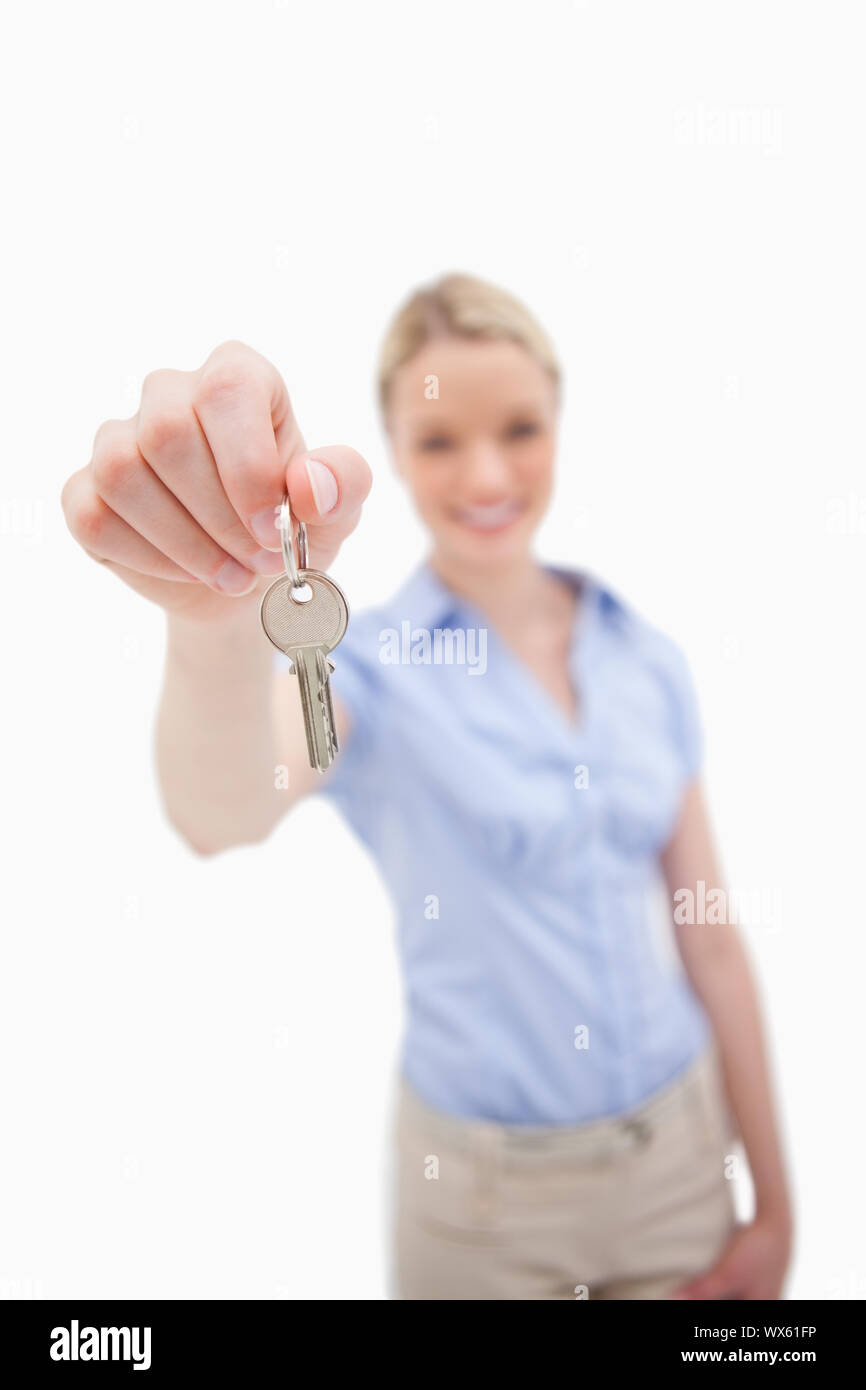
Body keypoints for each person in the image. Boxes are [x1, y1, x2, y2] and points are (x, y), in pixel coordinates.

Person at [61, 272, 793, 1300]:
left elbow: (707, 936)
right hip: (480, 1209)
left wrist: (773, 1205)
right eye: (441, 439)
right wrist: (215, 618)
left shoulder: (646, 658)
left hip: (679, 1164)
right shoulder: (370, 669)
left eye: (519, 428)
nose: (484, 470)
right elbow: (216, 810)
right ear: (396, 451)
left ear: (558, 426)